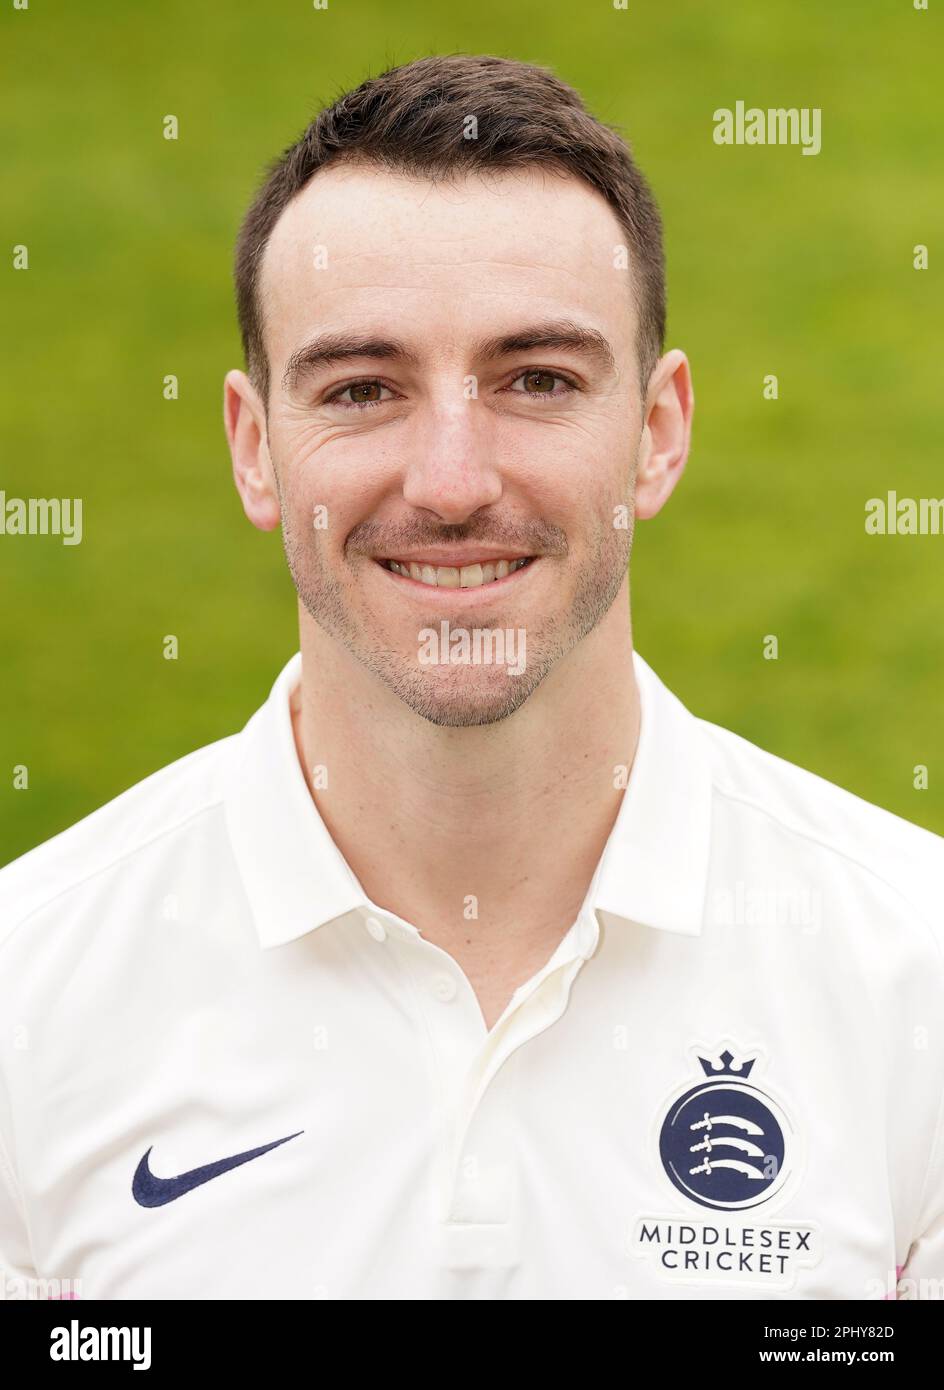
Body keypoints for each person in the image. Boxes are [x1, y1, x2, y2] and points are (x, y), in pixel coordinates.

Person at [1, 54, 941, 1302]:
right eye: (362, 389)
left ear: (657, 431)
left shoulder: (911, 974)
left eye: (536, 380)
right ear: (253, 447)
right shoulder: (31, 993)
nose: (450, 482)